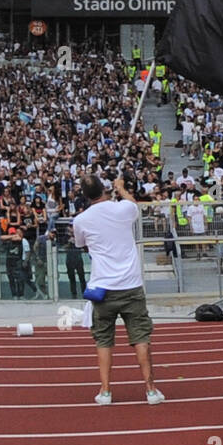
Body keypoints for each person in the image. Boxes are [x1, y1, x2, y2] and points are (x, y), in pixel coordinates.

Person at [71, 174, 164, 405]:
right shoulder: (121, 208)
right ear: (105, 188)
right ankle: (151, 390)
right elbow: (134, 206)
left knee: (103, 341)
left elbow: (80, 244)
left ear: (84, 195)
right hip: (131, 285)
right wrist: (121, 188)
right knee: (141, 338)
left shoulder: (81, 220)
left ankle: (105, 391)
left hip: (102, 288)